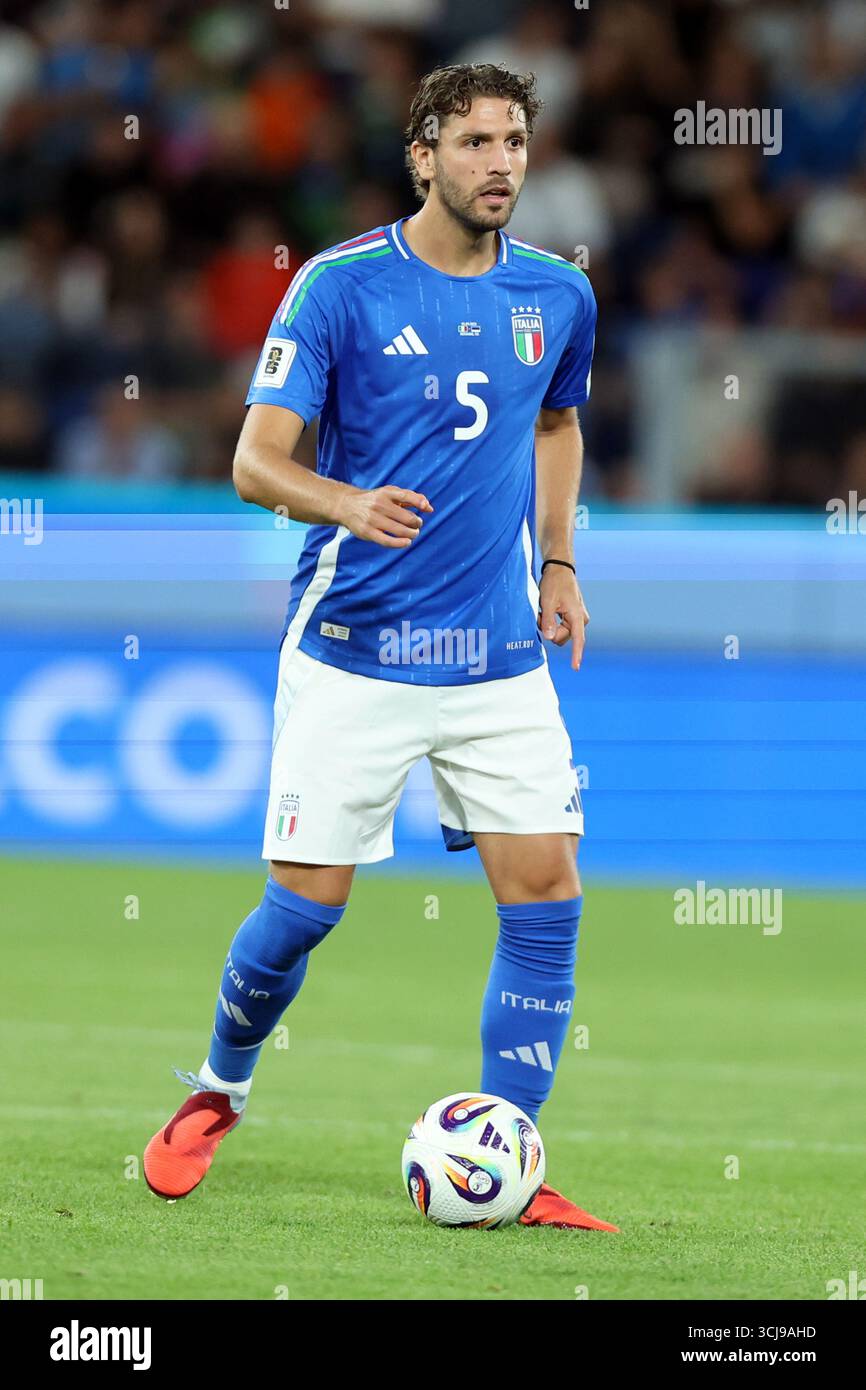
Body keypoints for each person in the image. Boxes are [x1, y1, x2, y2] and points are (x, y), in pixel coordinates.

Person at [144, 62, 618, 1233]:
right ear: (422, 155)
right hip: (354, 649)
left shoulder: (558, 296)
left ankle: (509, 1149)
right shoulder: (339, 287)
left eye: (513, 141)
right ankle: (218, 1089)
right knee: (306, 905)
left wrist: (557, 562)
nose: (499, 162)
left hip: (499, 656)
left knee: (546, 893)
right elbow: (255, 463)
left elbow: (556, 423)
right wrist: (344, 502)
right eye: (472, 143)